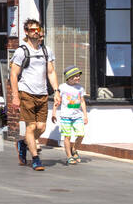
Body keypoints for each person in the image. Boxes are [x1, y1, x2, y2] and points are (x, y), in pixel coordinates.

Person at [9, 18, 59, 171]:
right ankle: (36, 158)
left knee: (41, 127)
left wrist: (56, 91)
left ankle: (23, 143)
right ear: (26, 32)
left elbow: (51, 72)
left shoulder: (46, 50)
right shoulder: (21, 51)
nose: (36, 32)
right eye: (32, 30)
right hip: (26, 93)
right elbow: (13, 74)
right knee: (31, 127)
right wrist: (15, 96)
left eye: (38, 29)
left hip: (42, 93)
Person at [58, 66, 89, 165]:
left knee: (81, 134)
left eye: (78, 76)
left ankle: (74, 149)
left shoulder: (80, 88)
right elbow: (57, 101)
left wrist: (85, 115)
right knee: (67, 136)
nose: (78, 78)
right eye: (76, 76)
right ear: (69, 77)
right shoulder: (62, 87)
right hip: (65, 116)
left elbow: (82, 102)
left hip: (77, 116)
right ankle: (69, 156)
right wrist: (54, 112)